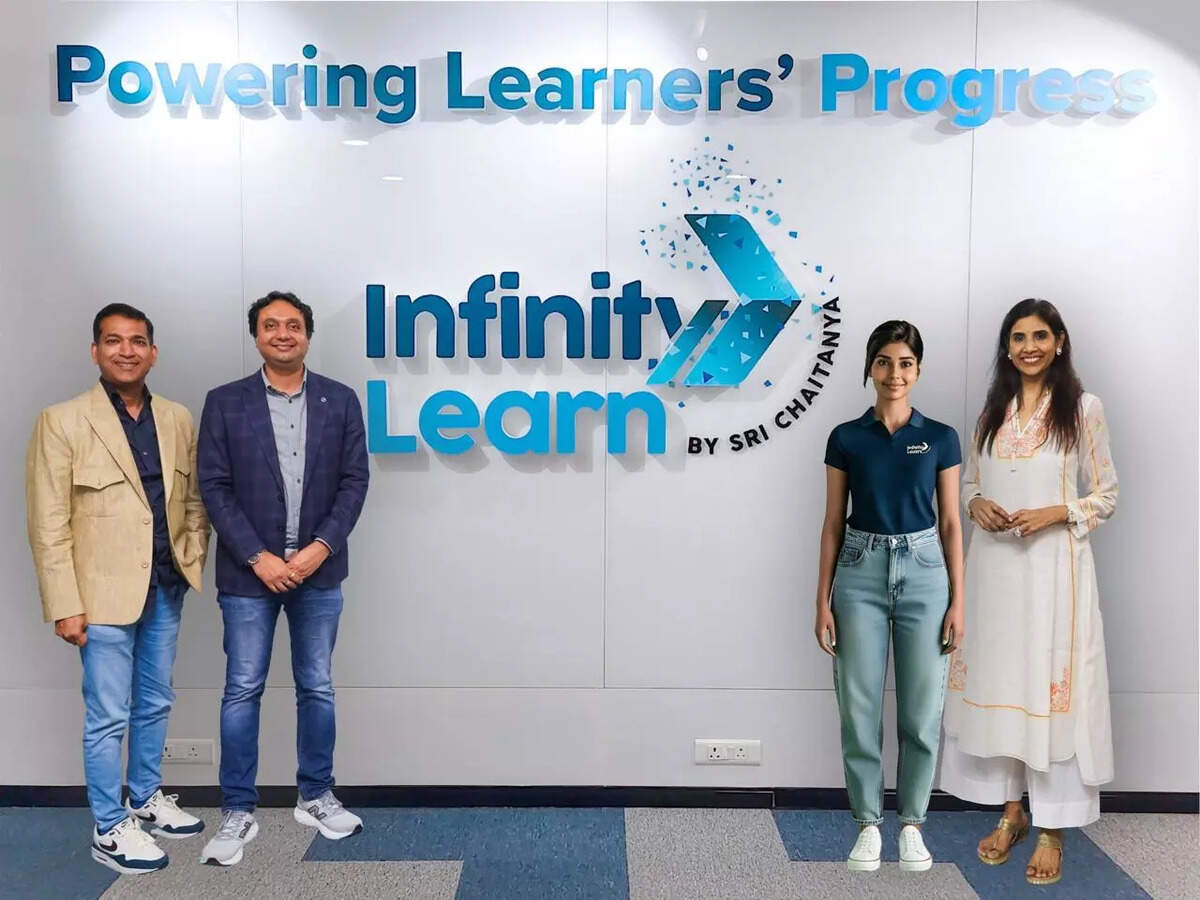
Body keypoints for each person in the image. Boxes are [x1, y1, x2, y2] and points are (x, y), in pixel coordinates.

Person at [26, 303, 210, 875]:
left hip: (164, 586)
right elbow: (47, 523)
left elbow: (194, 501)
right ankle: (109, 826)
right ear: (95, 351)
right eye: (113, 340)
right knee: (108, 715)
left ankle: (146, 797)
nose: (126, 351)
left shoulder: (176, 417)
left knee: (155, 701)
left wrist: (191, 558)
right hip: (99, 597)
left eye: (136, 341)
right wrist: (64, 604)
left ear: (153, 352)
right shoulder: (62, 421)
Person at [940, 299, 1116, 886]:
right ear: (1007, 347)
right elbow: (969, 481)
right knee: (1003, 681)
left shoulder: (1083, 409)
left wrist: (1056, 512)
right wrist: (976, 504)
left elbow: (1107, 494)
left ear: (1059, 341)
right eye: (1018, 337)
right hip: (995, 571)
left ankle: (1052, 827)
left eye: (1040, 335)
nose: (1029, 347)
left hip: (1054, 572)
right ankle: (1011, 812)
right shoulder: (993, 411)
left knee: (1048, 685)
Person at [197, 291, 369, 866]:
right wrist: (257, 556)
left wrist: (321, 548)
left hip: (319, 571)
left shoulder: (339, 400)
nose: (283, 333)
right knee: (242, 688)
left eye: (293, 325)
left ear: (308, 335)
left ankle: (315, 795)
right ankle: (237, 810)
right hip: (250, 576)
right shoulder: (225, 403)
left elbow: (354, 481)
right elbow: (214, 486)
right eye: (271, 325)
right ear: (256, 336)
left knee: (316, 685)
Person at [813, 320, 964, 873]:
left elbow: (951, 523)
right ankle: (868, 825)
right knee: (859, 708)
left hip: (926, 572)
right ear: (869, 368)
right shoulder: (846, 437)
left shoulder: (941, 437)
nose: (894, 373)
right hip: (859, 571)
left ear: (918, 370)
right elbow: (833, 521)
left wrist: (959, 601)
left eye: (904, 363)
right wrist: (822, 600)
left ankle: (913, 825)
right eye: (883, 362)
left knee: (922, 711)